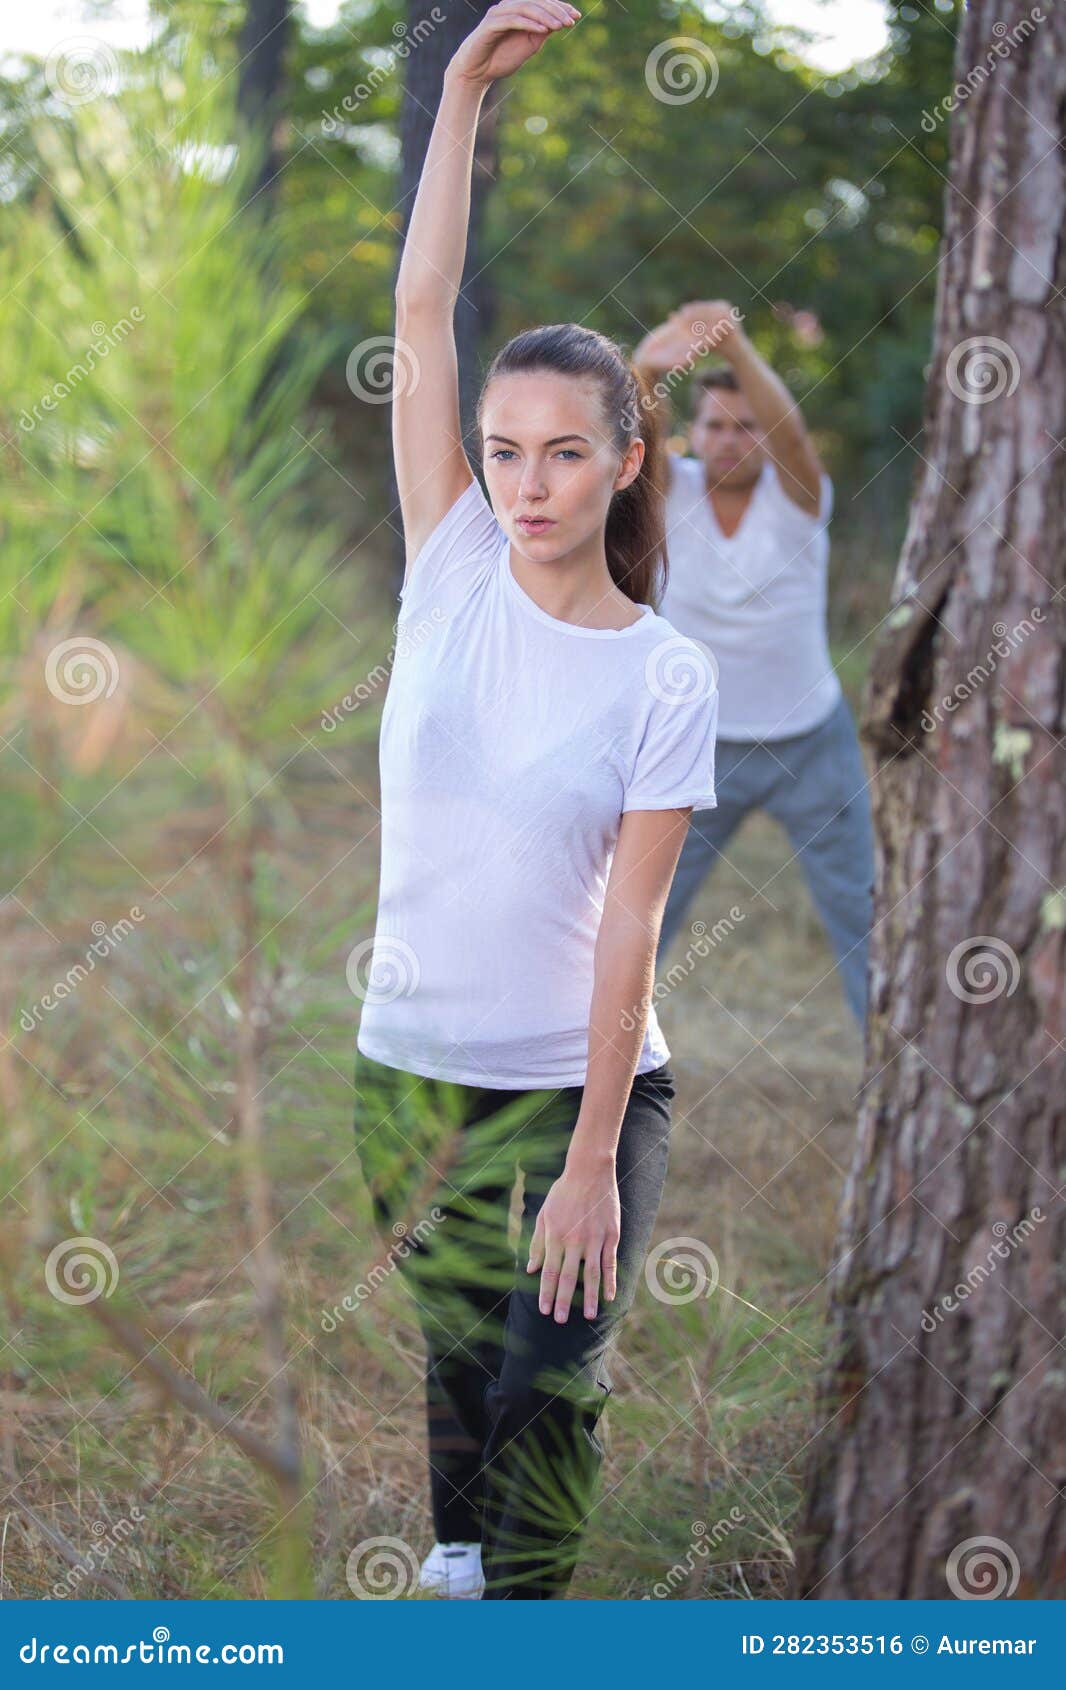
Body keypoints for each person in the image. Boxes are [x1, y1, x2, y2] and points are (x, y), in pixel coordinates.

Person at [351, 3, 718, 1600]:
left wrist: (584, 1160)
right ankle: (452, 1583)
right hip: (409, 1079)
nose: (525, 483)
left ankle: (517, 1614)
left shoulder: (663, 676)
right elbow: (422, 306)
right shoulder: (446, 570)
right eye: (504, 451)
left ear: (624, 463)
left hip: (580, 1094)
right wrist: (455, 103)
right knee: (453, 1372)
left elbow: (630, 926)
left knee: (541, 1391)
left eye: (566, 452)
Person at [633, 304, 875, 1026]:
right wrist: (645, 369)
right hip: (698, 747)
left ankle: (900, 1096)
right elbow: (631, 429)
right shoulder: (665, 490)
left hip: (812, 740)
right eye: (714, 425)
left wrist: (732, 343)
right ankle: (583, 1080)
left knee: (864, 917)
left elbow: (794, 433)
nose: (731, 440)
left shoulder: (799, 497)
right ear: (690, 435)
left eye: (747, 426)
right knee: (639, 918)